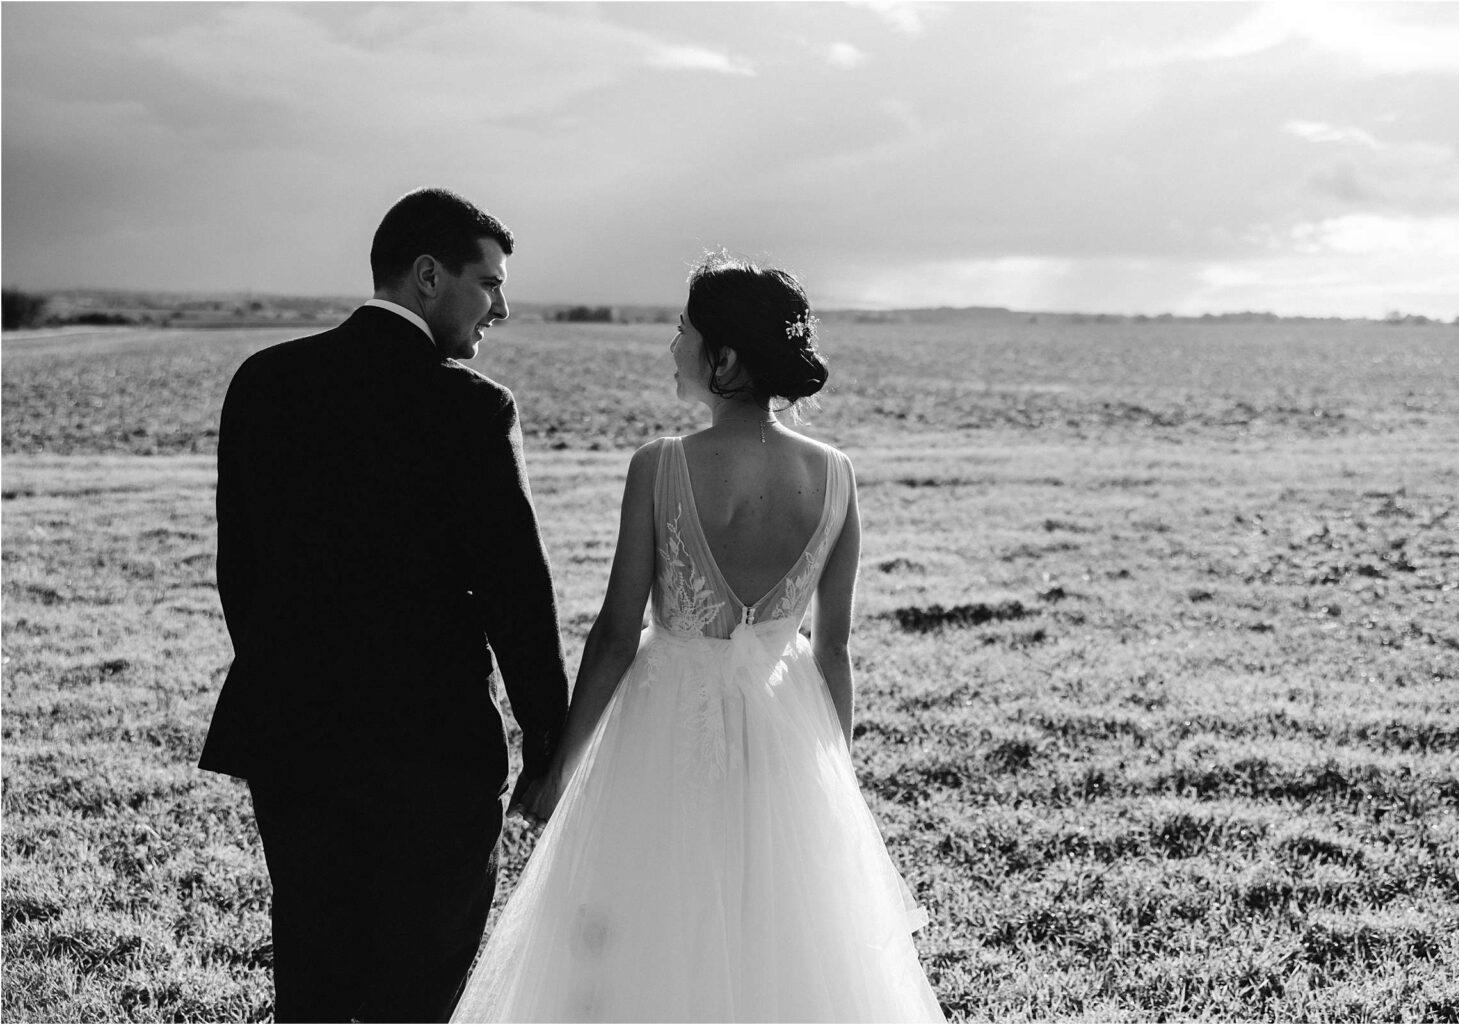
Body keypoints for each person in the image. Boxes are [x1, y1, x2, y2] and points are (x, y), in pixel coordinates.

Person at [451, 253, 944, 1022]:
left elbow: (616, 636)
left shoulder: (661, 465)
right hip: (781, 732)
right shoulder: (837, 476)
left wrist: (560, 771)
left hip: (662, 727)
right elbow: (833, 650)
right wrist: (831, 781)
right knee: (774, 936)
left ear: (724, 356)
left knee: (641, 931)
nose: (671, 347)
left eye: (683, 331)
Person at [198, 187, 570, 1023]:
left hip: (292, 738)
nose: (502, 307)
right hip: (433, 750)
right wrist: (547, 734)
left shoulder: (264, 381)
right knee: (421, 989)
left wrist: (287, 670)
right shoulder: (473, 407)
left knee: (313, 978)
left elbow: (238, 567)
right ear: (429, 275)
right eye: (490, 282)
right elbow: (517, 591)